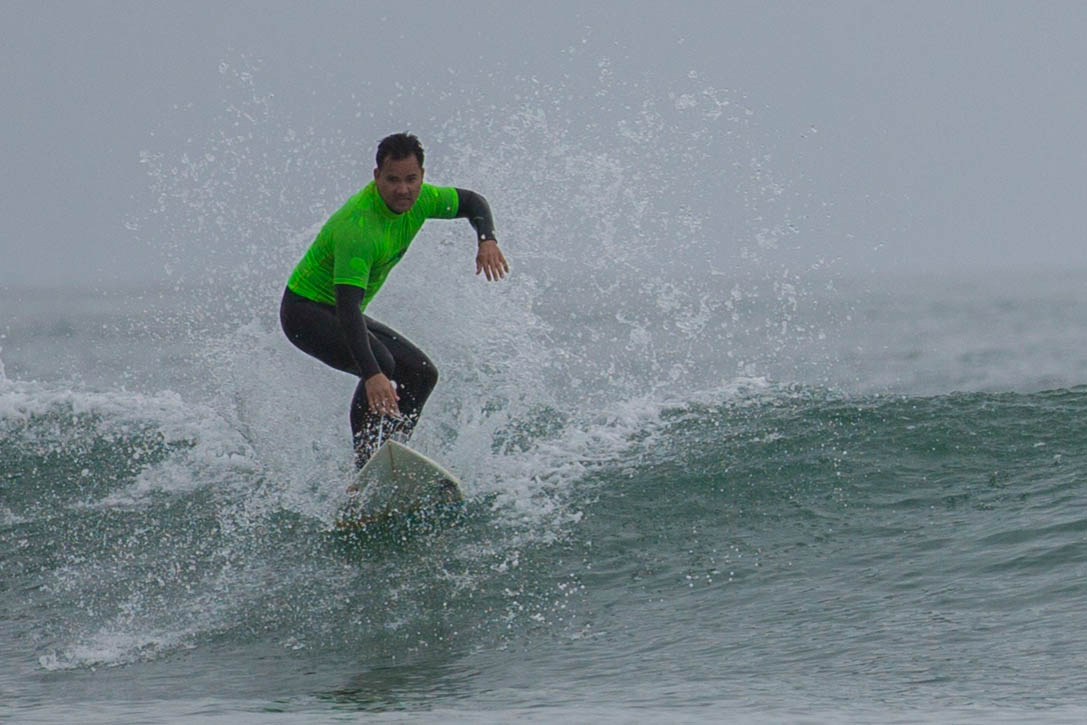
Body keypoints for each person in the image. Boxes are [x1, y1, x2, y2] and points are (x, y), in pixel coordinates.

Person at [280, 132, 509, 467]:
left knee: (421, 373)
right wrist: (372, 374)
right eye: (392, 180)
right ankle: (364, 466)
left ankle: (393, 454)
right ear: (377, 177)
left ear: (422, 177)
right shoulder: (359, 227)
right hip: (304, 312)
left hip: (342, 310)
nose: (403, 190)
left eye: (411, 179)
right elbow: (347, 309)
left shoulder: (425, 199)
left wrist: (487, 239)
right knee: (382, 365)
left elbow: (473, 202)